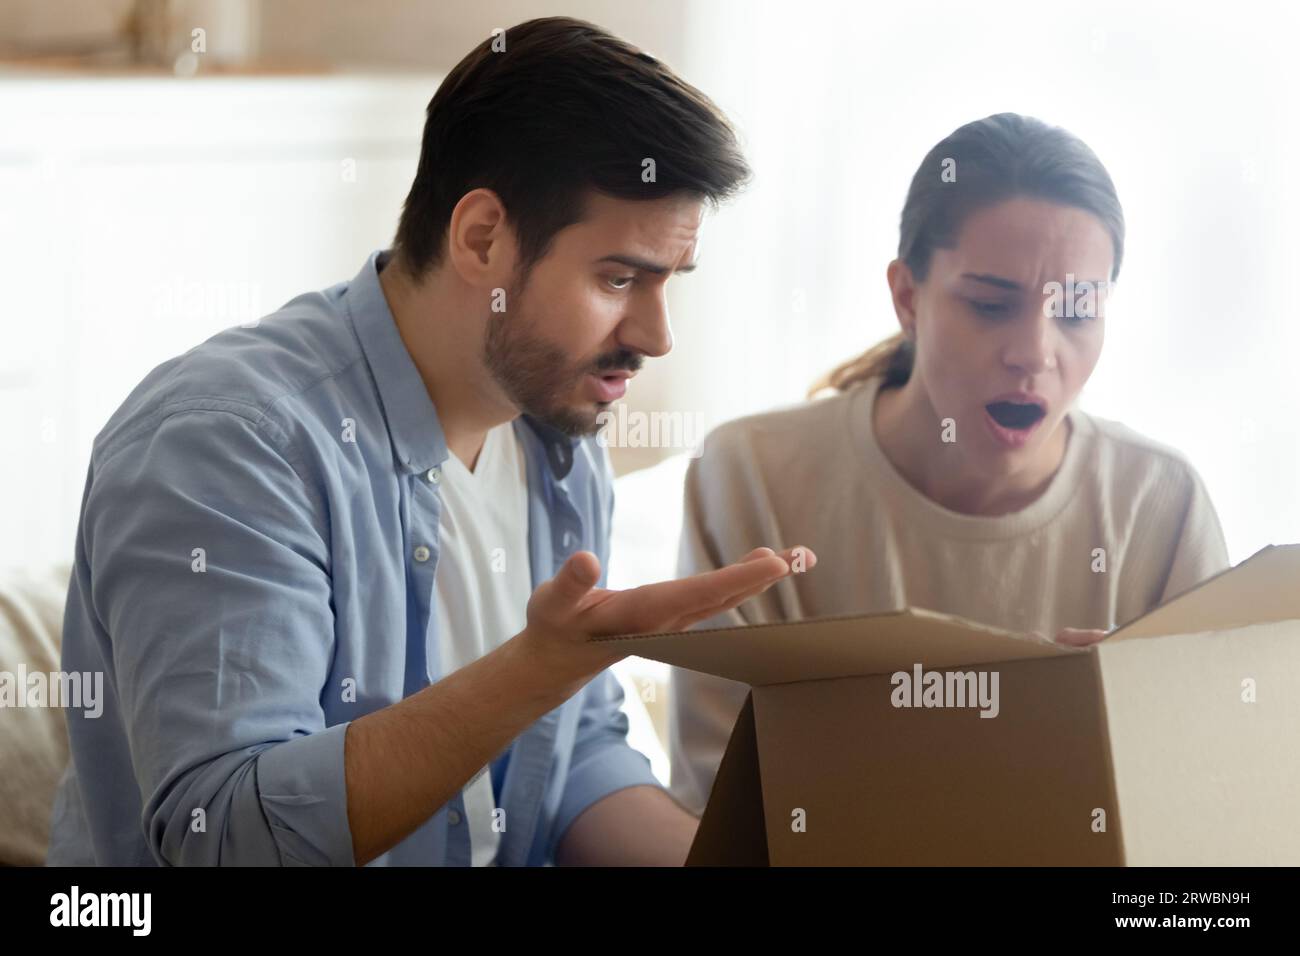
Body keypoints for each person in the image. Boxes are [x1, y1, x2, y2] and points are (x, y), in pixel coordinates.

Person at [47, 16, 813, 868]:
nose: (658, 334)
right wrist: (537, 668)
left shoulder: (558, 435)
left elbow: (572, 763)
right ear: (482, 237)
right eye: (619, 277)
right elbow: (226, 836)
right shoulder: (228, 444)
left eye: (670, 283)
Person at [667, 113, 1230, 818]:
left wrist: (1142, 737)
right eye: (992, 305)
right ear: (907, 297)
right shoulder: (750, 474)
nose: (1035, 352)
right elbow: (718, 812)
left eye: (1079, 311)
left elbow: (1217, 811)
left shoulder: (1163, 504)